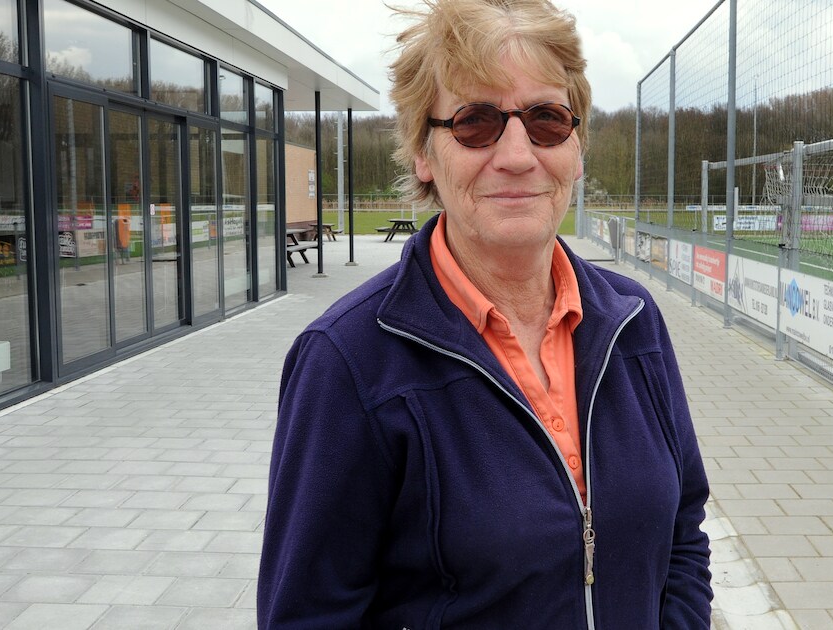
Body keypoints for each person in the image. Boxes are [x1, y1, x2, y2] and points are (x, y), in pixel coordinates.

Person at [257, 0, 713, 627]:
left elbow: (683, 531)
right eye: (476, 122)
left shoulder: (632, 320)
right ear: (424, 154)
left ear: (576, 149)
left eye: (548, 119)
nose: (519, 154)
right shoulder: (348, 361)